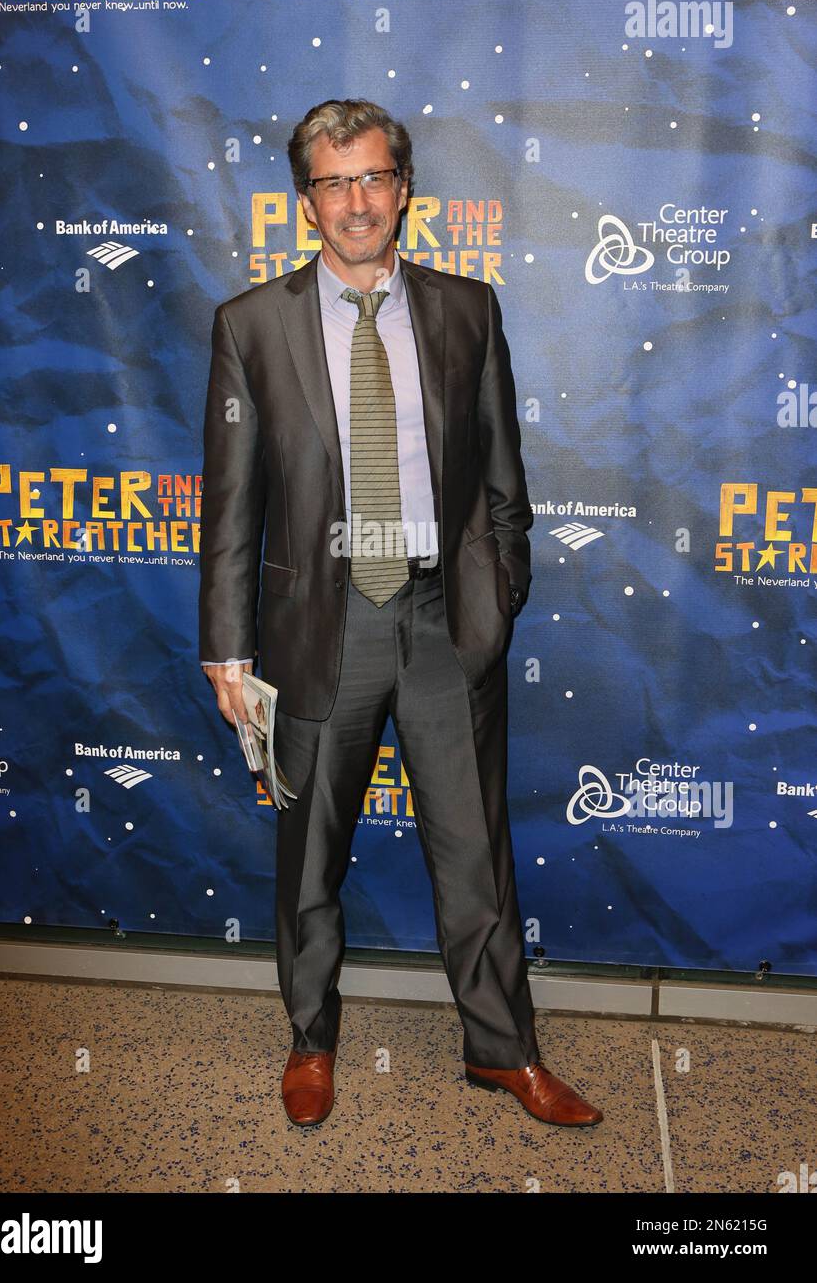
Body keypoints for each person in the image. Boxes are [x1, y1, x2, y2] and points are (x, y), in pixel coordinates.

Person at [199, 98, 602, 1131]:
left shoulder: (468, 311)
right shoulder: (249, 326)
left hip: (441, 617)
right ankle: (310, 1038)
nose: (356, 201)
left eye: (373, 177)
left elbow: (503, 482)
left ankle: (501, 1051)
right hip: (313, 624)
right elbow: (230, 505)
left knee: (474, 854)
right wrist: (227, 648)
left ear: (403, 188)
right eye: (333, 183)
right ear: (306, 202)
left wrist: (494, 592)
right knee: (309, 858)